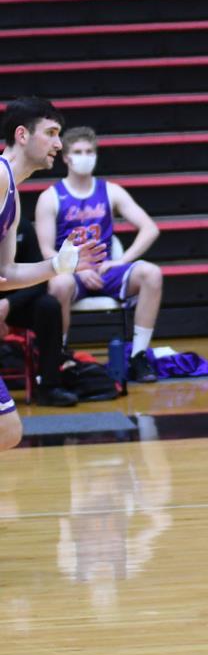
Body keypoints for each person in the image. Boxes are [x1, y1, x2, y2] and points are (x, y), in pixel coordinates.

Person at [0, 97, 106, 450]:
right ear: (22, 135)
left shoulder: (11, 198)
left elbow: (7, 272)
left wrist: (60, 265)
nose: (59, 145)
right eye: (51, 133)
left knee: (8, 431)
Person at [35, 127, 166, 383]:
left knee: (152, 273)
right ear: (66, 157)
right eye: (78, 152)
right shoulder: (50, 197)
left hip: (105, 269)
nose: (85, 156)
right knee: (58, 283)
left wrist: (122, 261)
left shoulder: (111, 191)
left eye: (89, 151)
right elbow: (46, 250)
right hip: (71, 273)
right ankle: (59, 356)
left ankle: (138, 356)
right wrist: (76, 271)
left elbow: (150, 228)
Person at [0, 215, 77, 407]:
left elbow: (39, 283)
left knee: (49, 306)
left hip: (15, 303)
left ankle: (49, 386)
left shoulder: (21, 226)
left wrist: (9, 304)